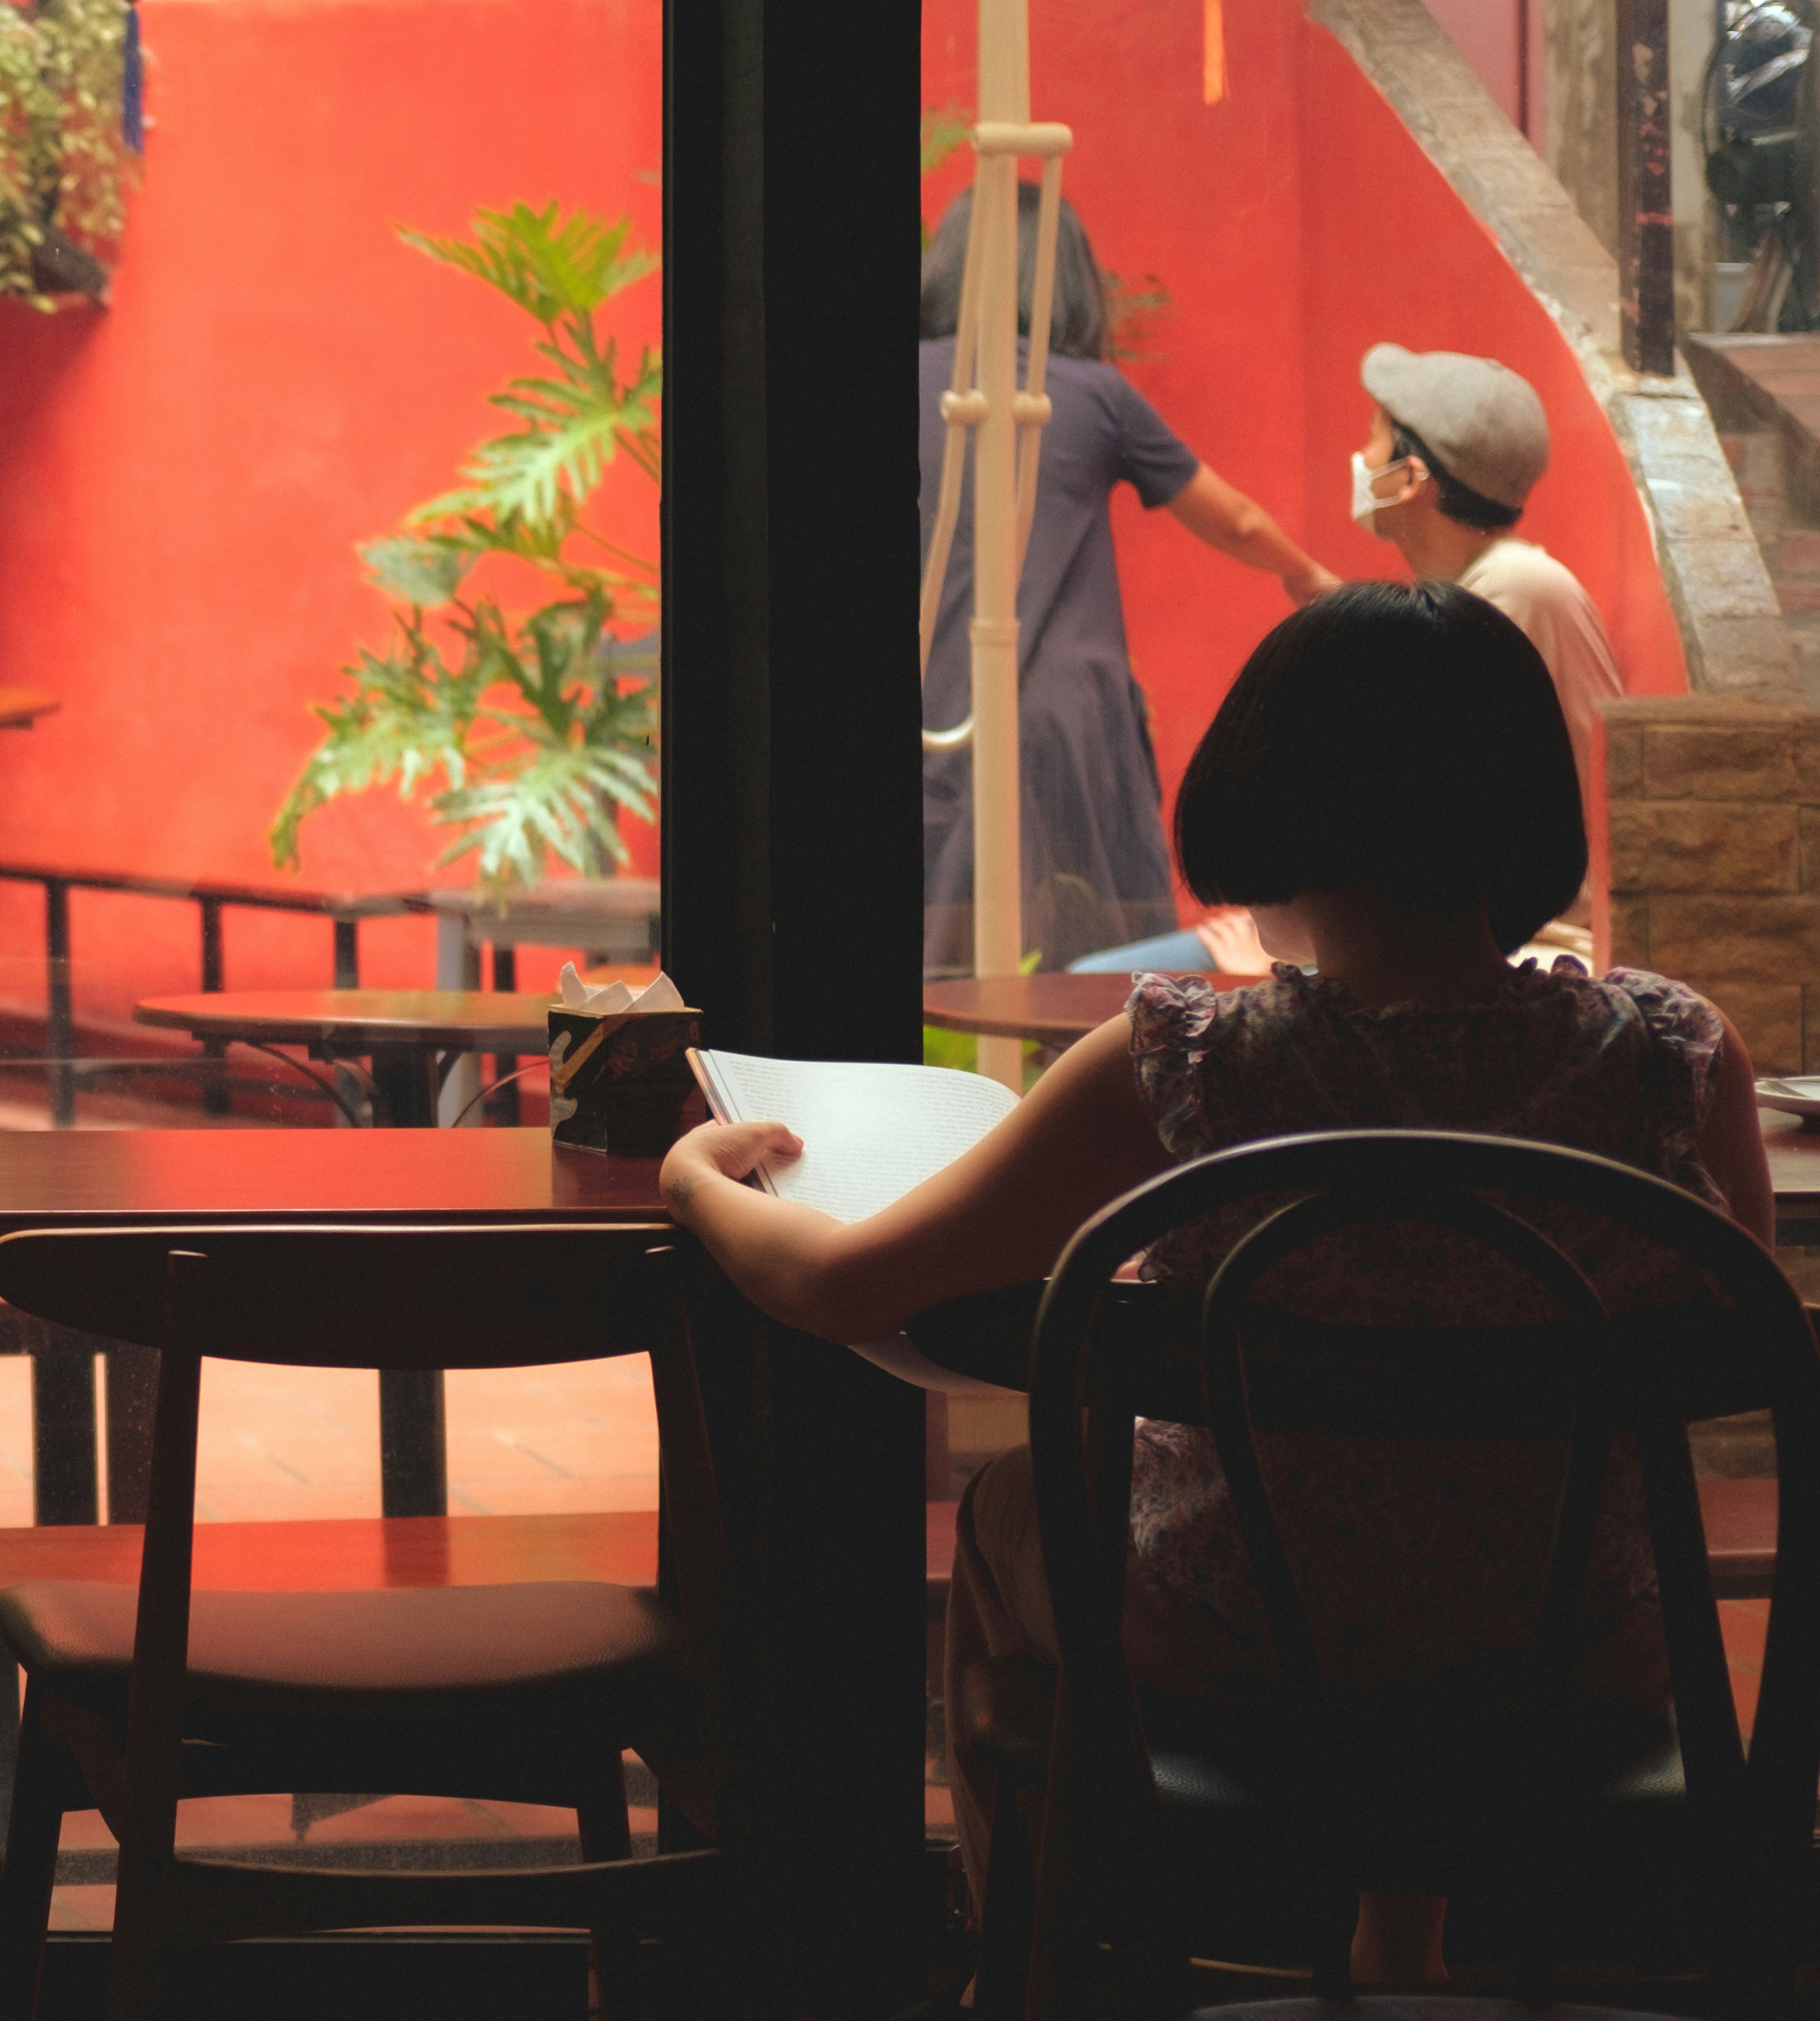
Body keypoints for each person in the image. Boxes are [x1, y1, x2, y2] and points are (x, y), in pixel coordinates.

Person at [666, 583, 1765, 1986]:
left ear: (1270, 798)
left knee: (1017, 1508)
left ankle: (1040, 1955)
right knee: (1458, 1505)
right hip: (1583, 1664)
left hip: (1231, 1656)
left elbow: (834, 1284)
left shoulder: (1190, 1064)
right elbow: (1736, 1337)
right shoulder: (1672, 1055)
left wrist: (694, 1178)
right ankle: (1398, 1952)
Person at [919, 188, 1341, 974]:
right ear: (1070, 280)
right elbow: (1236, 520)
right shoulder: (1091, 395)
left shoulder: (917, 383)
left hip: (944, 693)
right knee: (1097, 956)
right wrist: (1307, 574)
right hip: (1072, 711)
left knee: (939, 945)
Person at [1352, 341, 1624, 956]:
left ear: (1410, 477)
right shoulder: (1484, 585)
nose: (1362, 458)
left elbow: (1430, 819)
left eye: (1373, 437)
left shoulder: (1512, 592)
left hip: (1528, 949)